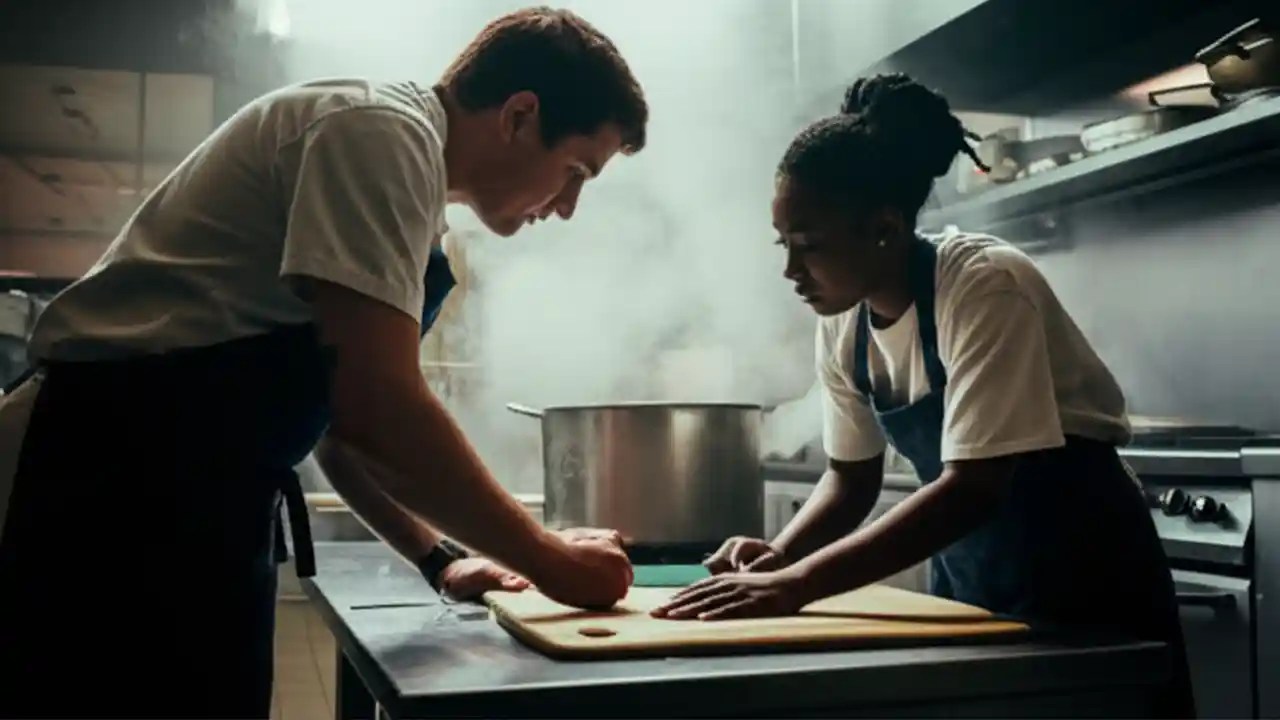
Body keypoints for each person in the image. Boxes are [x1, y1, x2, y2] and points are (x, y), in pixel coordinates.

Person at [0, 7, 646, 718]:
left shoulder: (411, 184)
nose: (567, 208)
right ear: (520, 116)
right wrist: (550, 562)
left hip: (195, 501)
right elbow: (377, 407)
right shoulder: (378, 135)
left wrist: (441, 557)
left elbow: (333, 420)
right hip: (107, 495)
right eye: (576, 171)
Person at [652, 73, 1194, 717]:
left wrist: (796, 584)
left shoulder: (984, 285)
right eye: (785, 245)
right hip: (973, 580)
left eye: (810, 246)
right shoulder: (842, 321)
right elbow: (849, 480)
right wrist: (777, 556)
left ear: (883, 229)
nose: (791, 271)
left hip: (1085, 580)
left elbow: (974, 487)